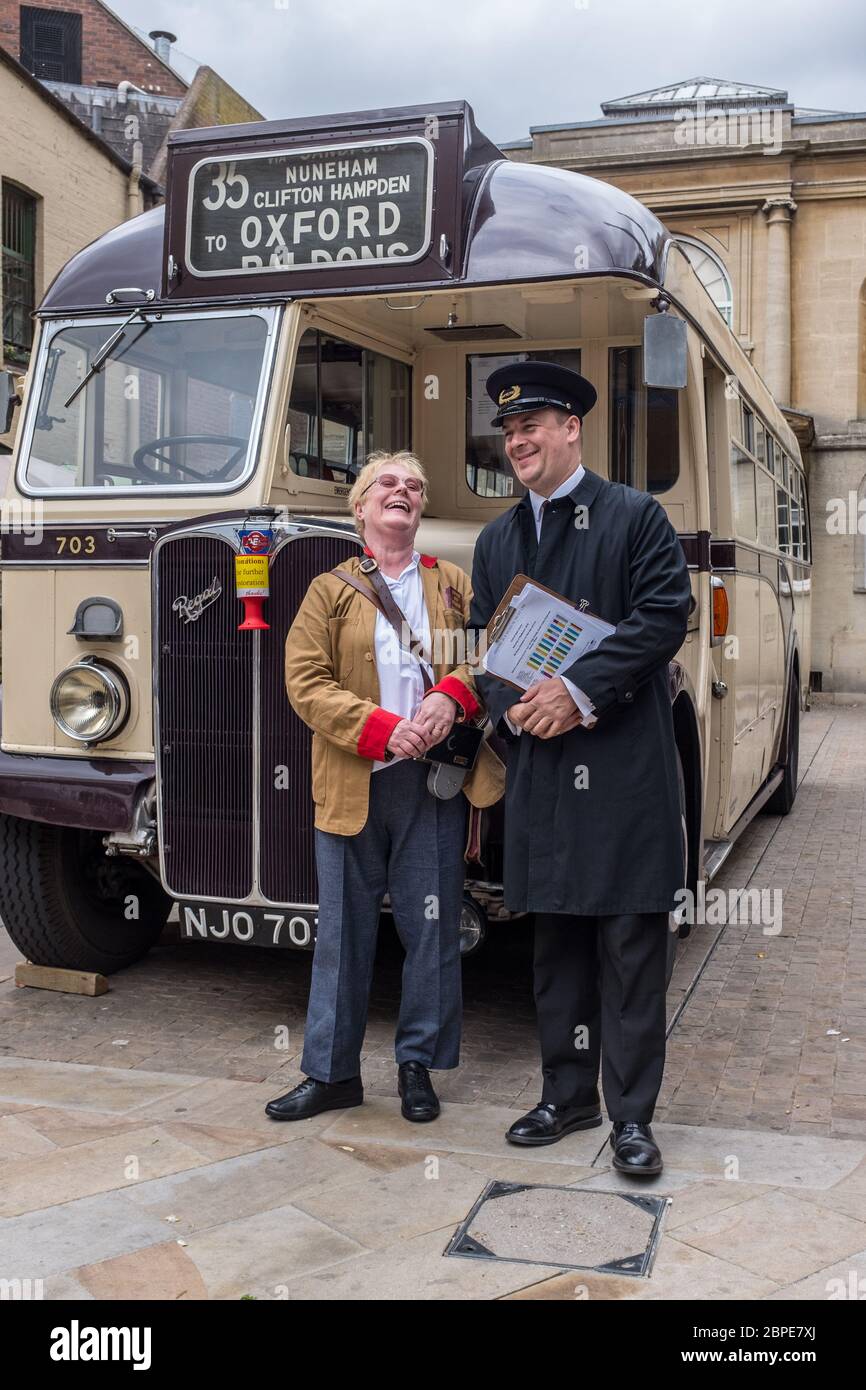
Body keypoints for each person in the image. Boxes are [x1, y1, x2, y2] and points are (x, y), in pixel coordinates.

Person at [469, 362, 692, 1176]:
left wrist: (577, 692)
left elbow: (666, 616)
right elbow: (487, 651)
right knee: (555, 944)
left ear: (573, 430)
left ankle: (632, 1120)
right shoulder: (497, 540)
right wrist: (508, 705)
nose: (518, 439)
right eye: (508, 430)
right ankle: (567, 1098)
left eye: (534, 424)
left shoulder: (636, 516)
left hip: (624, 768)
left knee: (632, 947)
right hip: (542, 773)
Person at [266, 450, 504, 1125]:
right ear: (363, 508)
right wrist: (379, 727)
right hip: (352, 783)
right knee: (343, 935)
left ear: (419, 509)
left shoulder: (452, 583)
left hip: (434, 786)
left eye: (414, 486)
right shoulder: (329, 590)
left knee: (432, 934)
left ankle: (417, 1068)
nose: (403, 492)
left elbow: (486, 657)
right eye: (388, 484)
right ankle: (332, 1074)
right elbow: (305, 683)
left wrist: (451, 698)